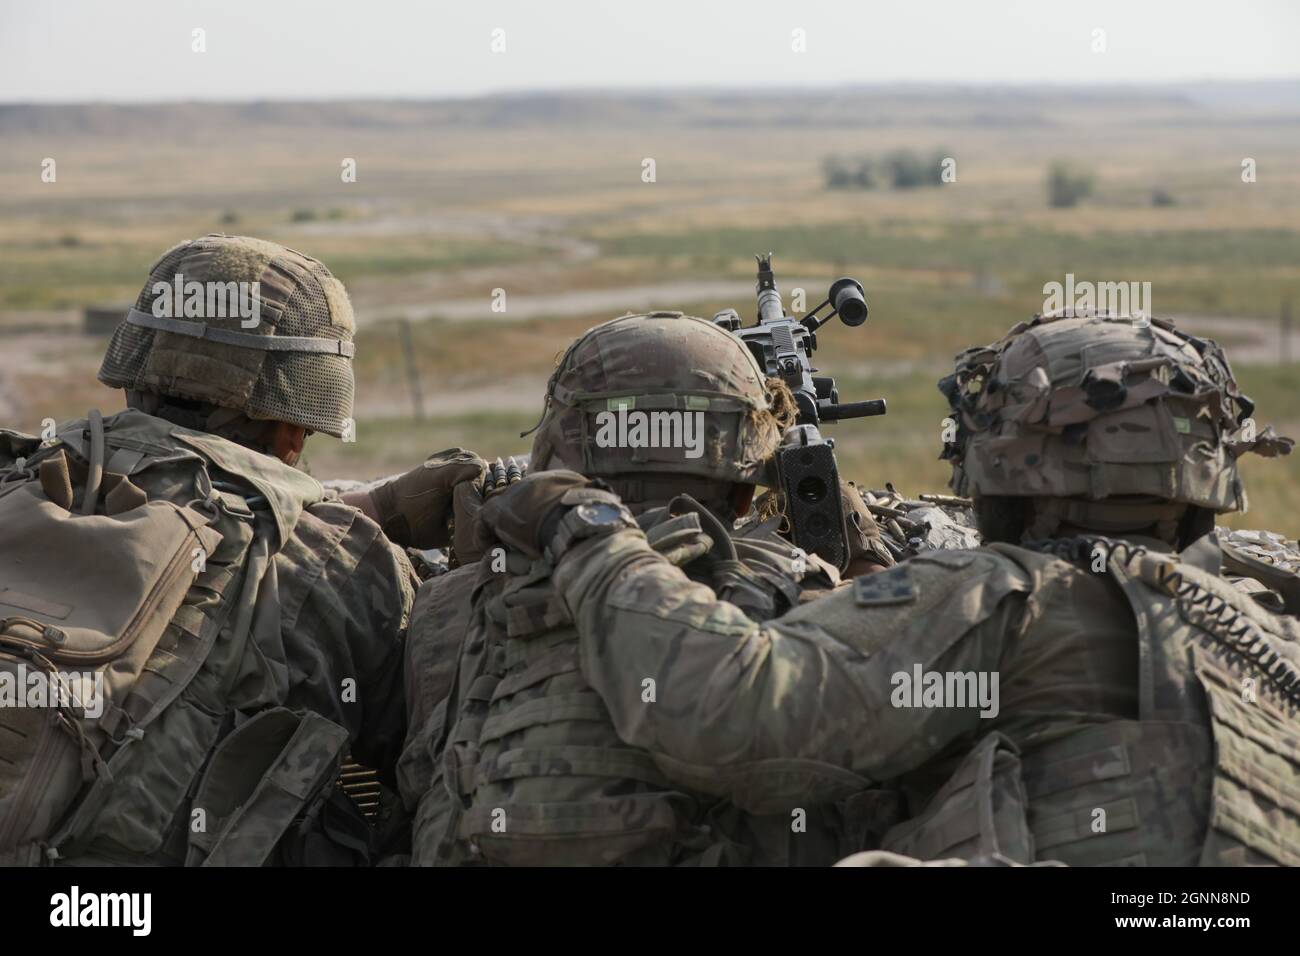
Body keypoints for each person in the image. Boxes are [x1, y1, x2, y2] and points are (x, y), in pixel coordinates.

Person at [478, 310, 1300, 866]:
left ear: (1006, 461)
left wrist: (585, 527)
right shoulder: (1263, 633)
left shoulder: (1008, 597)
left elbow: (727, 716)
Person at [400, 310, 894, 865]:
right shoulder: (803, 602)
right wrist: (859, 555)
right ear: (741, 495)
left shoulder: (445, 609)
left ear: (552, 460)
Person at [0, 234, 416, 865]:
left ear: (138, 364)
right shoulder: (339, 560)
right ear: (295, 424)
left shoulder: (21, 476)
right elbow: (421, 759)